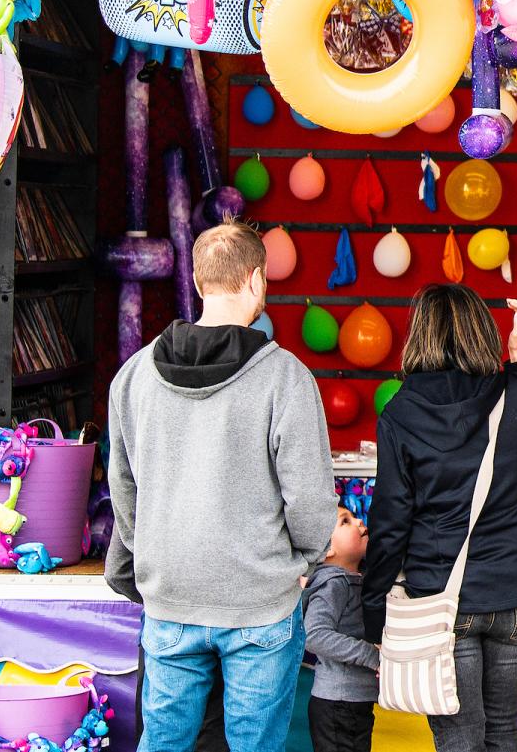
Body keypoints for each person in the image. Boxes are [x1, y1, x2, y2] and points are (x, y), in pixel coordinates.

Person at [107, 219, 337, 752]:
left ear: (195, 278)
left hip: (170, 596)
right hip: (260, 600)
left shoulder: (134, 375)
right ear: (257, 281)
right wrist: (303, 560)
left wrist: (151, 555)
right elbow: (309, 499)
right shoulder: (286, 377)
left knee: (162, 743)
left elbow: (124, 487)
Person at [362, 286, 517, 752]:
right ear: (478, 332)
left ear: (419, 335)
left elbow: (390, 522)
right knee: (504, 728)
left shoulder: (399, 415)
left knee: (458, 736)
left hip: (441, 603)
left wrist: (373, 613)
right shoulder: (513, 391)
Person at [305, 506, 379, 752]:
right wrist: (372, 656)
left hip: (353, 701)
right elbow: (314, 635)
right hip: (338, 703)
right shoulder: (334, 583)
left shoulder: (353, 579)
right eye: (345, 522)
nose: (359, 520)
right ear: (328, 550)